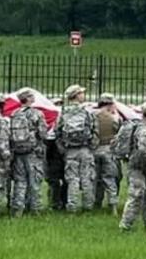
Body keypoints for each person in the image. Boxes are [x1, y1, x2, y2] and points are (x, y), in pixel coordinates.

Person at [54, 84, 99, 212]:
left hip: (70, 151)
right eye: (81, 93)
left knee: (72, 179)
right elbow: (95, 130)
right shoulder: (87, 112)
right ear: (77, 95)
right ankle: (88, 206)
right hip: (85, 149)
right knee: (87, 178)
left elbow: (57, 131)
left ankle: (72, 206)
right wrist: (92, 147)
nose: (83, 95)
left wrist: (62, 148)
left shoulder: (63, 112)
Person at [118, 101, 146, 231]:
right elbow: (143, 149)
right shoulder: (143, 130)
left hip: (141, 166)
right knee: (136, 195)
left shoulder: (143, 127)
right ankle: (125, 225)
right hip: (139, 166)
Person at [9, 89, 48, 216]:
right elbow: (43, 133)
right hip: (33, 152)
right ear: (29, 99)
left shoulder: (14, 114)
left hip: (18, 152)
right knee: (34, 181)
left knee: (20, 181)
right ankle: (35, 209)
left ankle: (18, 209)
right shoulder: (37, 113)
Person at [93, 93, 123, 213]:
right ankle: (113, 206)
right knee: (110, 178)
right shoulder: (114, 118)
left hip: (95, 150)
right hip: (108, 150)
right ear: (110, 105)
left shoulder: (92, 115)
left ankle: (97, 203)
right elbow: (120, 133)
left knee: (97, 179)